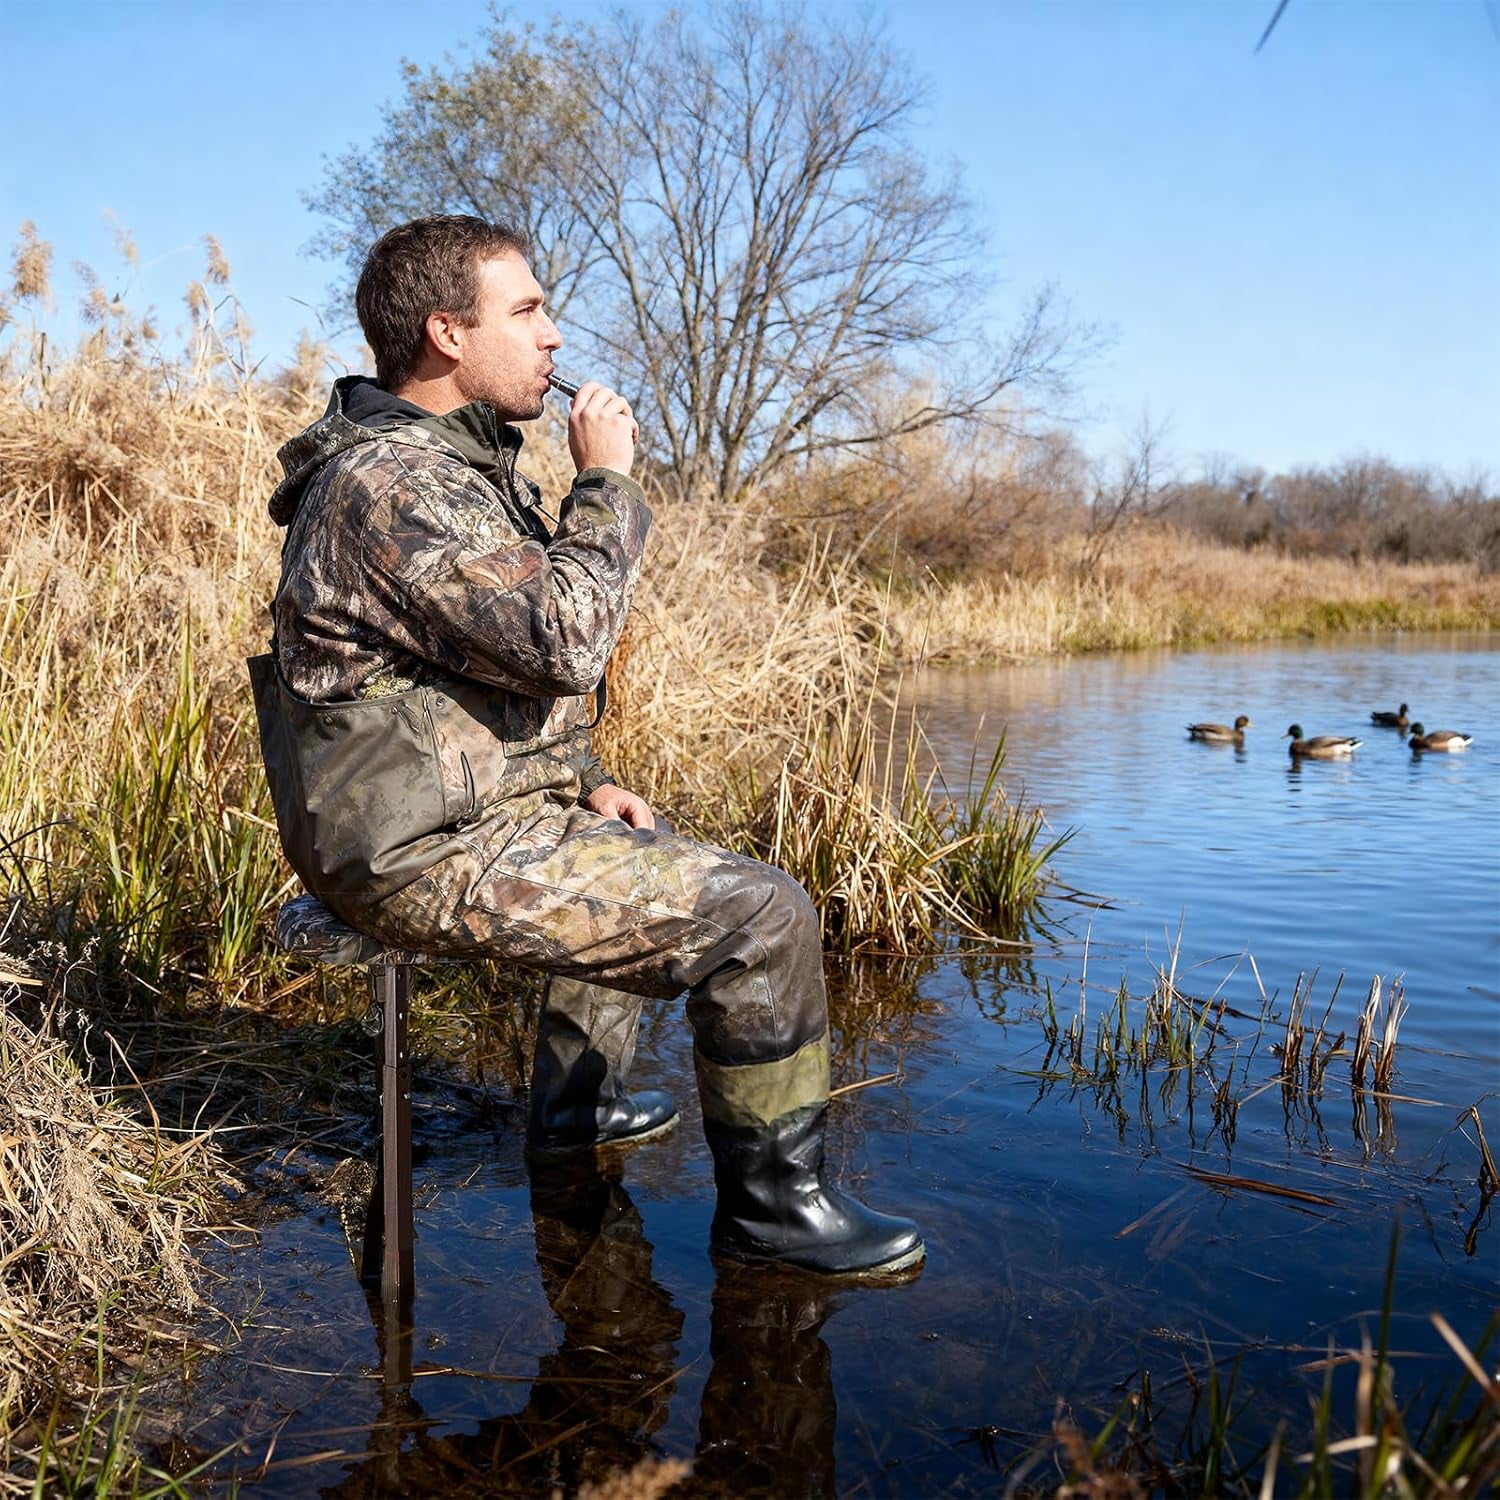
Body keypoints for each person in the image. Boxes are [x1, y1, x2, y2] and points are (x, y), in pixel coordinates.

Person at [250, 214, 922, 1278]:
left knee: (630, 835)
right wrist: (605, 485)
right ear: (448, 334)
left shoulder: (459, 471)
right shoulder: (392, 486)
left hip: (461, 812)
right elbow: (563, 642)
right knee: (767, 916)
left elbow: (501, 681)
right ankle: (777, 1214)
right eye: (528, 310)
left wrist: (590, 781)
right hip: (408, 852)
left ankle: (575, 1114)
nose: (556, 337)